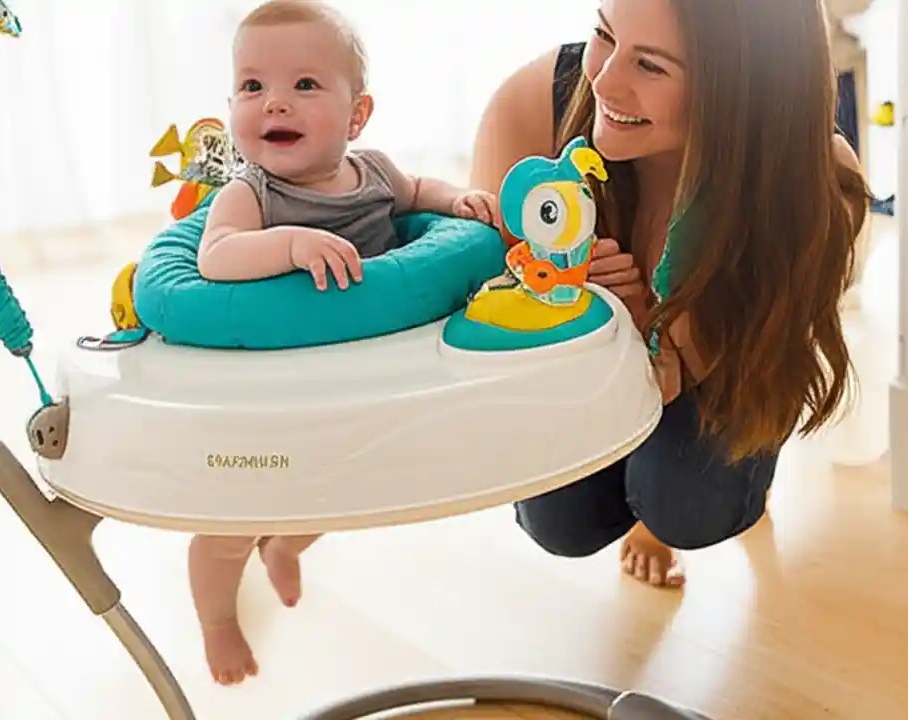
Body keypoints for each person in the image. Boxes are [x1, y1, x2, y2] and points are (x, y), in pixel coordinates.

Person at [470, 0, 869, 588]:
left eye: (651, 66)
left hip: (727, 372)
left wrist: (649, 323)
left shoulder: (814, 180)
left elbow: (738, 363)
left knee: (684, 497)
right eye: (605, 33)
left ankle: (663, 515)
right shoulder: (532, 104)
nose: (603, 81)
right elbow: (489, 305)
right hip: (578, 365)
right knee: (561, 520)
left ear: (741, 90)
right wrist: (595, 321)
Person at [191, 0, 498, 685]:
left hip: (363, 385)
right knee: (230, 519)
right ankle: (217, 618)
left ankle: (287, 546)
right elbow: (216, 259)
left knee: (339, 491)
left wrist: (459, 201)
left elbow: (421, 191)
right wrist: (291, 244)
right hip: (273, 394)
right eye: (252, 86)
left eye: (304, 85)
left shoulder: (378, 174)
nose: (276, 103)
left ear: (356, 116)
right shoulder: (251, 196)